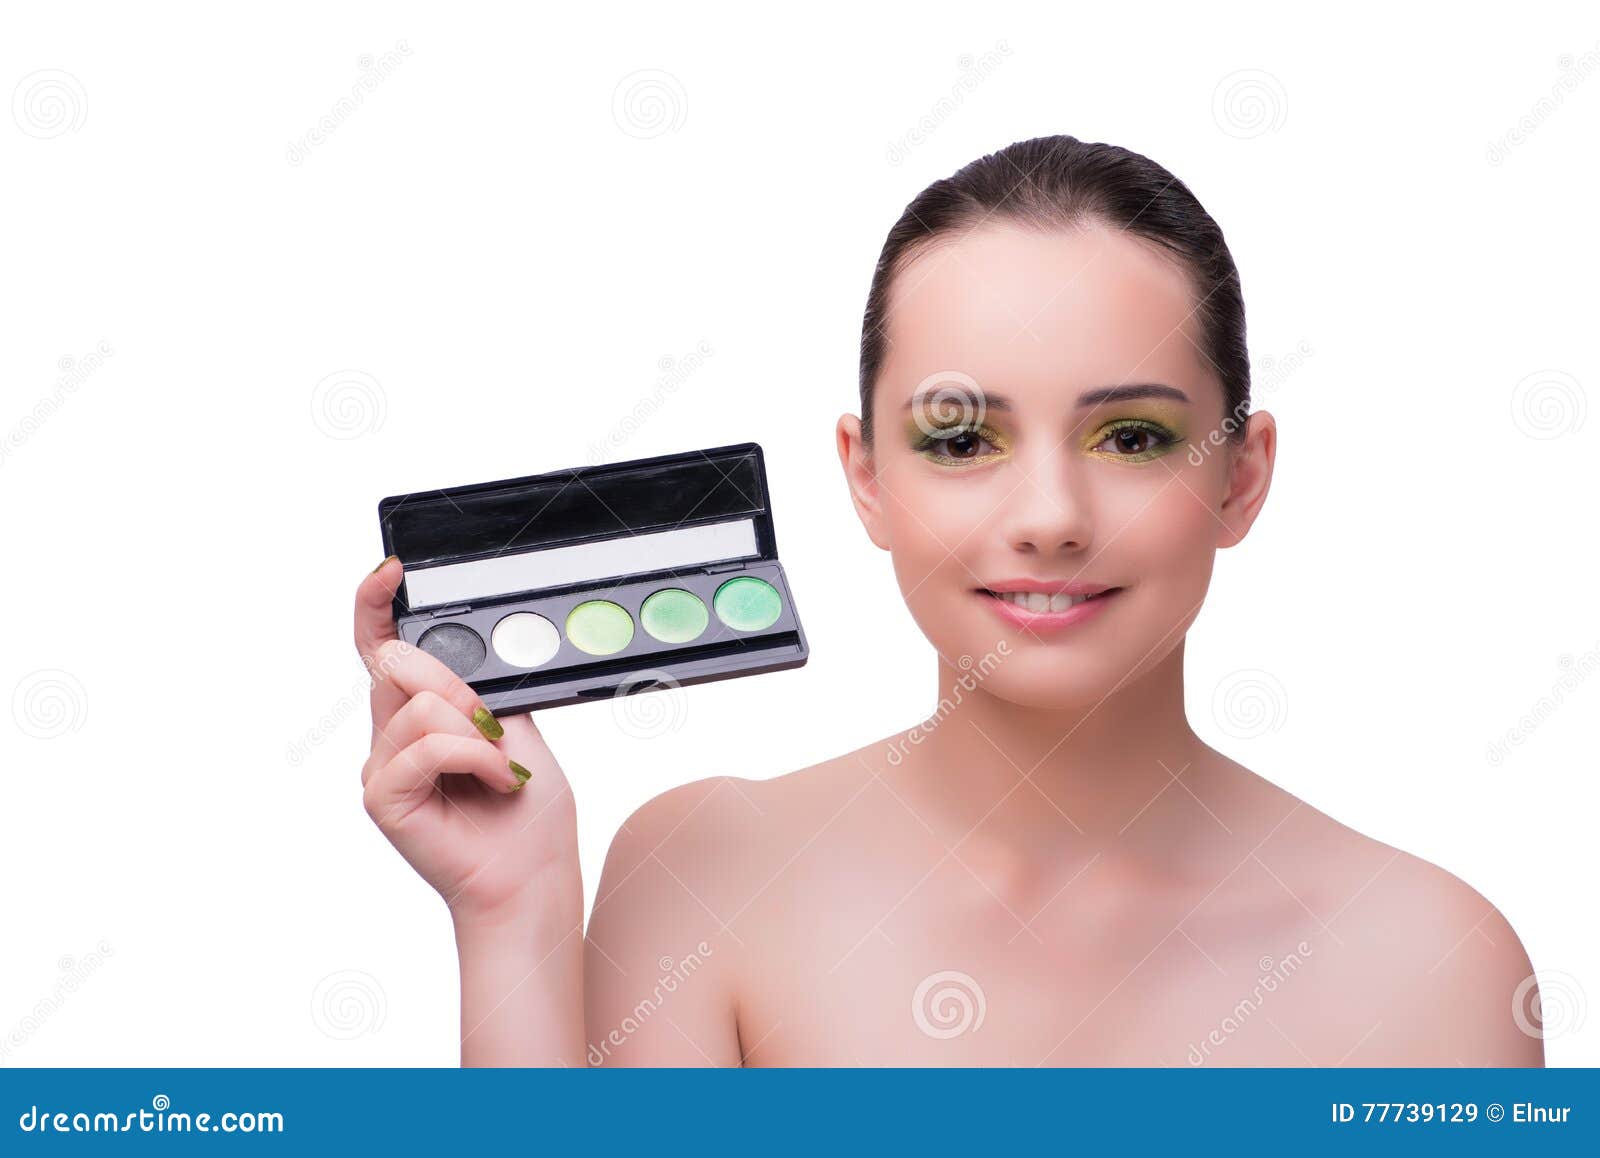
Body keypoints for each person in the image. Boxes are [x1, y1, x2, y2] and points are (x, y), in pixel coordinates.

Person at [352, 134, 1542, 1067]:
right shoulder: (702, 872)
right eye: (963, 440)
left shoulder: (1433, 964)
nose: (1050, 517)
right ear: (866, 478)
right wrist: (511, 916)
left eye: (1131, 437)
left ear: (1240, 476)